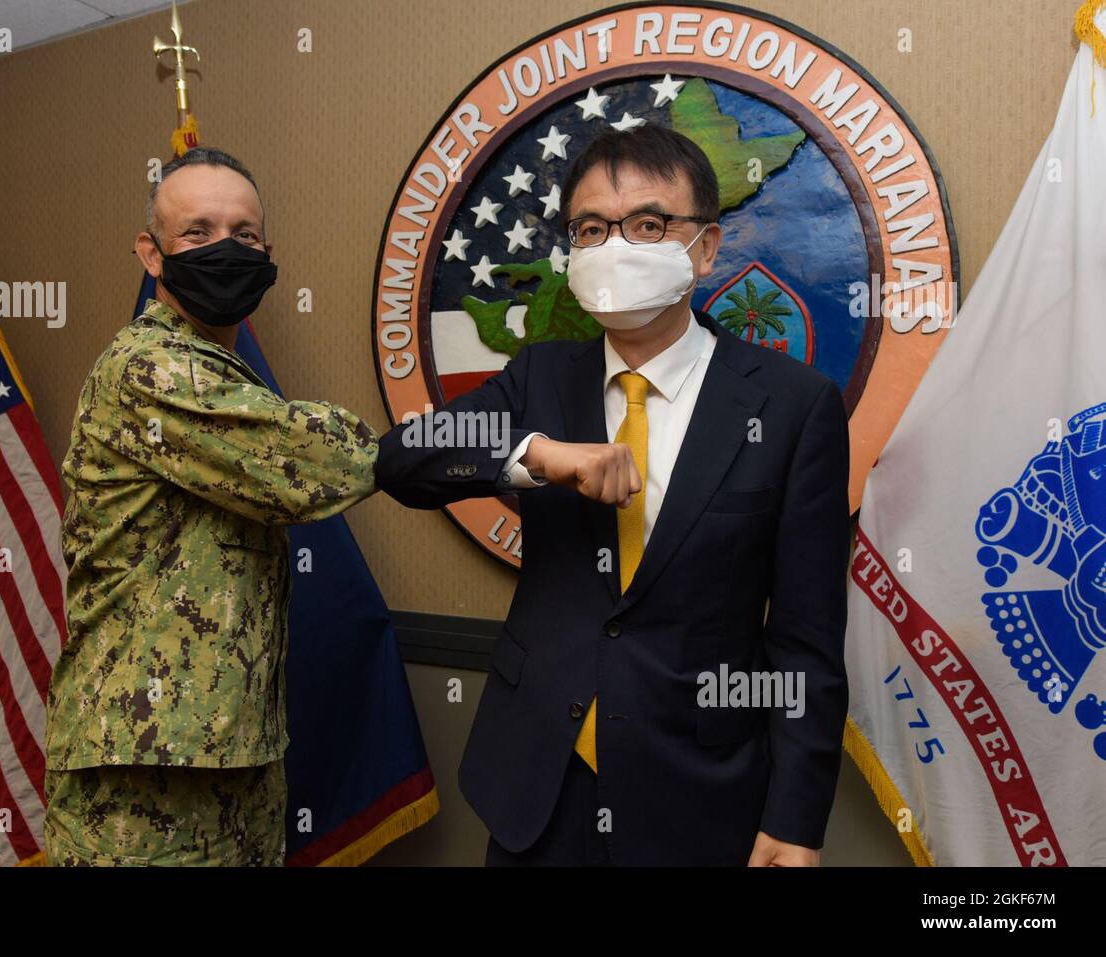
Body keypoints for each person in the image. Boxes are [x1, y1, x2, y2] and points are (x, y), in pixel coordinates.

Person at [376, 125, 850, 866]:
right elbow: (402, 459)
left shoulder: (793, 406)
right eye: (592, 229)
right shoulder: (540, 377)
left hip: (698, 791)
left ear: (705, 248)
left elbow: (805, 640)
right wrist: (538, 454)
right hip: (538, 782)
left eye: (649, 225)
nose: (615, 247)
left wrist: (795, 819)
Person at [44, 147, 377, 866]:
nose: (224, 250)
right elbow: (322, 462)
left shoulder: (223, 372)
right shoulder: (148, 367)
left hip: (237, 753)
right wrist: (509, 449)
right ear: (152, 253)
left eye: (243, 235)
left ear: (268, 256)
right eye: (197, 232)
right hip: (142, 773)